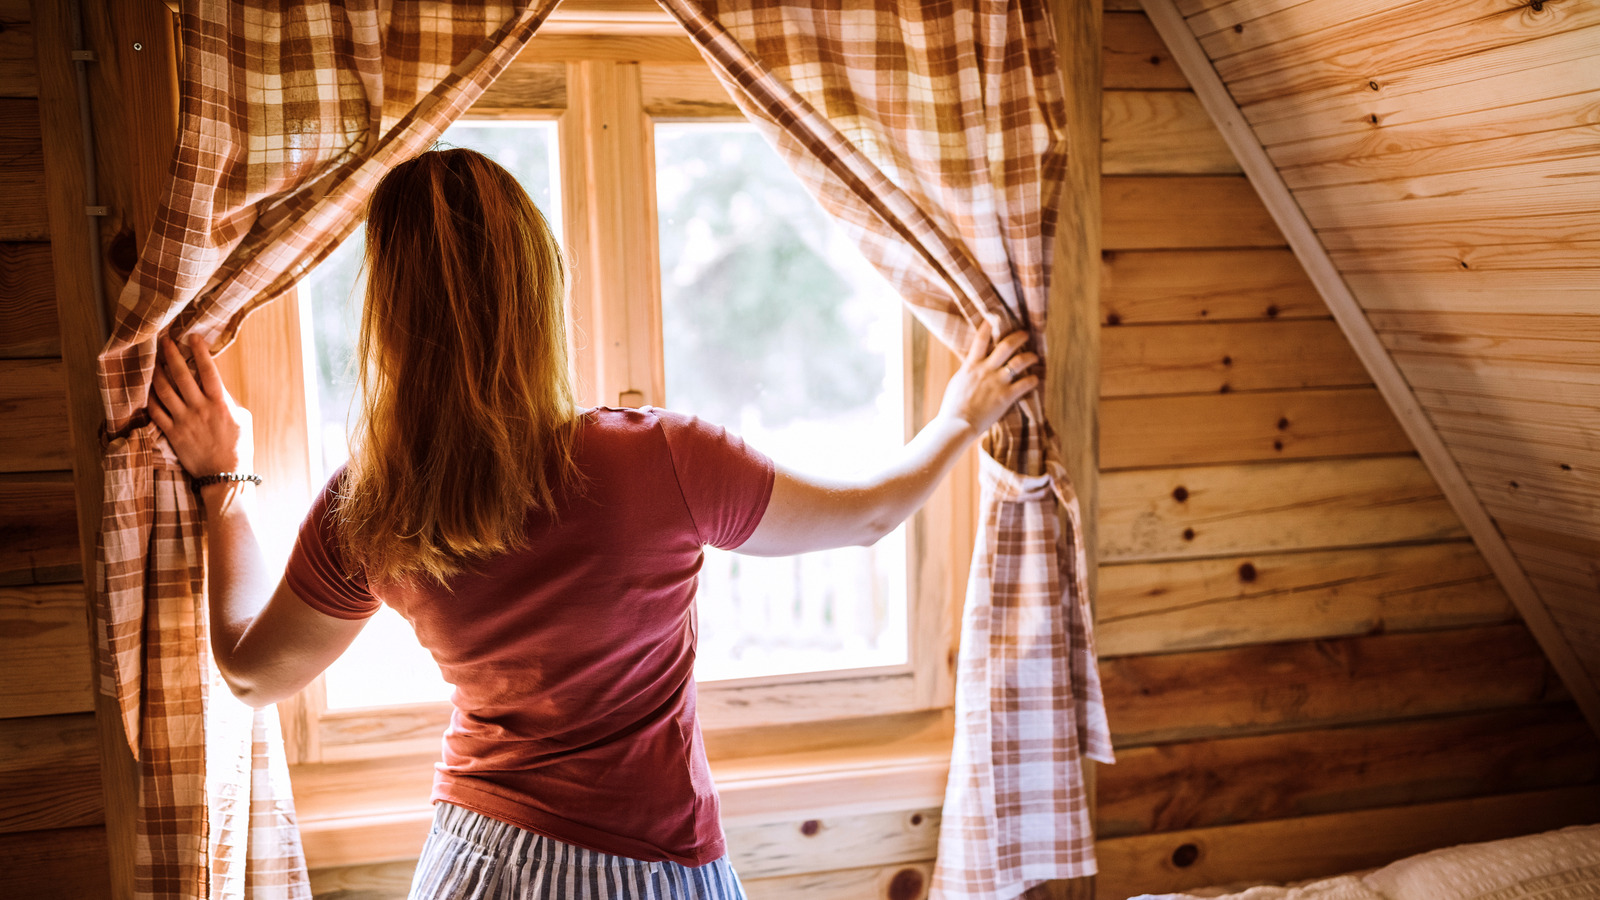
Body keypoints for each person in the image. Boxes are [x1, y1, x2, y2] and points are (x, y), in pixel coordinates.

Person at [148, 148, 1039, 900]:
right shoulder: (659, 459)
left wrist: (224, 481)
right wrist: (962, 416)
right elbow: (872, 514)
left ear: (384, 317)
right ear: (542, 291)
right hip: (645, 870)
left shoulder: (373, 503)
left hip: (472, 862)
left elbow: (251, 673)